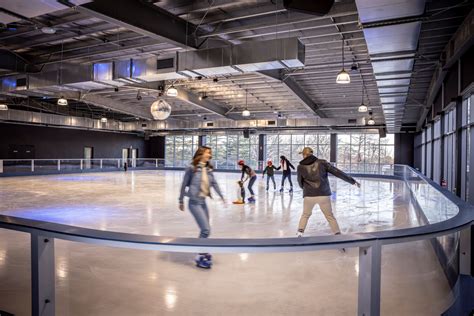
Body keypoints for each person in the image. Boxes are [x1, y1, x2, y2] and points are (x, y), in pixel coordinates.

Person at [296, 147, 360, 239]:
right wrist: (352, 181)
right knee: (330, 216)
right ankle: (338, 236)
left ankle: (299, 234)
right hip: (323, 194)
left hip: (309, 195)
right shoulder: (322, 163)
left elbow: (299, 181)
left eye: (303, 154)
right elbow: (337, 172)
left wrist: (305, 189)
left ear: (305, 155)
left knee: (305, 215)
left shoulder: (300, 167)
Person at [179, 146, 226, 269]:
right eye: (207, 153)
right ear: (201, 154)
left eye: (210, 153)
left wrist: (222, 196)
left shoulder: (208, 168)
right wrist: (181, 200)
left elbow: (214, 183)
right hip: (194, 203)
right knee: (205, 229)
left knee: (207, 230)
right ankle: (200, 254)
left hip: (203, 202)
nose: (209, 155)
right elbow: (184, 184)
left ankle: (201, 249)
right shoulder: (192, 168)